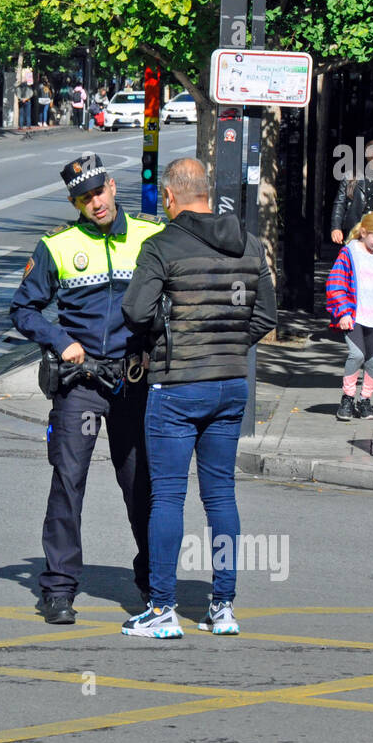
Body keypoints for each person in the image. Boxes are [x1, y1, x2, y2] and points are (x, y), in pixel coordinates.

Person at [120, 156, 277, 639]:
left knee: (166, 497)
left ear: (170, 197)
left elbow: (135, 311)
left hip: (176, 385)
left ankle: (163, 608)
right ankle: (223, 606)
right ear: (207, 193)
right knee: (221, 496)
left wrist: (173, 345)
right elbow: (266, 315)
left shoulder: (160, 245)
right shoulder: (250, 245)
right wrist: (229, 346)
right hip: (230, 385)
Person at [9, 153, 166, 624]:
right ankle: (58, 588)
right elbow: (24, 309)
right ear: (74, 202)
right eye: (82, 198)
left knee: (141, 485)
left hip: (133, 380)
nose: (94, 203)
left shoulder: (151, 236)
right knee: (68, 482)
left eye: (98, 192)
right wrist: (62, 341)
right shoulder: (57, 246)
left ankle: (152, 582)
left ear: (113, 187)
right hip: (81, 382)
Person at [325, 212, 373, 421]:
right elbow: (335, 284)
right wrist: (343, 311)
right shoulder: (349, 253)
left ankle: (365, 400)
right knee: (357, 355)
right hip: (354, 316)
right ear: (364, 232)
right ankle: (347, 398)